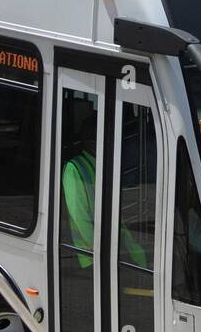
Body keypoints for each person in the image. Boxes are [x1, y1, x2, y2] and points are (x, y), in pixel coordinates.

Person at [61, 115, 148, 269]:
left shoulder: (105, 167)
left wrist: (136, 253)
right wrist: (102, 253)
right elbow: (81, 218)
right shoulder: (74, 169)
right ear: (93, 142)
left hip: (113, 251)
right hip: (89, 258)